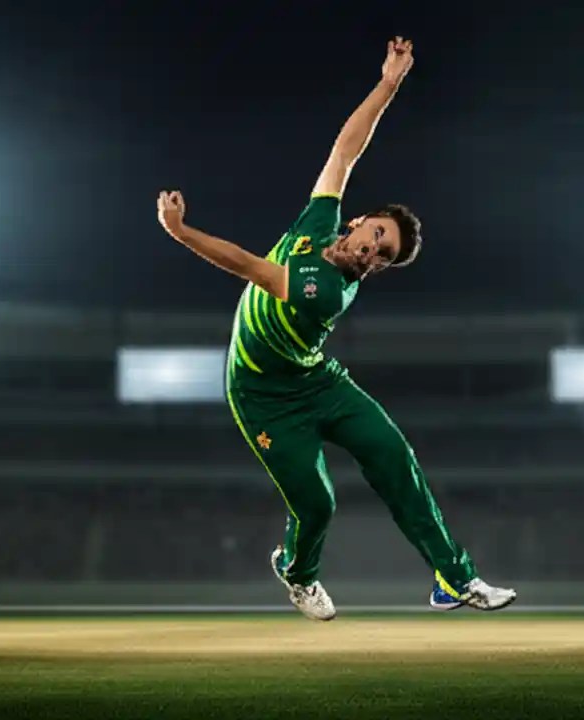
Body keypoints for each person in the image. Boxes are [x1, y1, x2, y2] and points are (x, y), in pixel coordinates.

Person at [155, 37, 516, 621]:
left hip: (318, 384)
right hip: (261, 396)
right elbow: (345, 152)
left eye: (383, 254)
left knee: (393, 455)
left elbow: (247, 266)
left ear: (376, 267)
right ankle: (298, 573)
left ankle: (455, 579)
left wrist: (181, 232)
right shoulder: (320, 219)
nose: (374, 249)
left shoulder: (327, 291)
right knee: (317, 505)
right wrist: (389, 84)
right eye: (377, 235)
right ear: (358, 223)